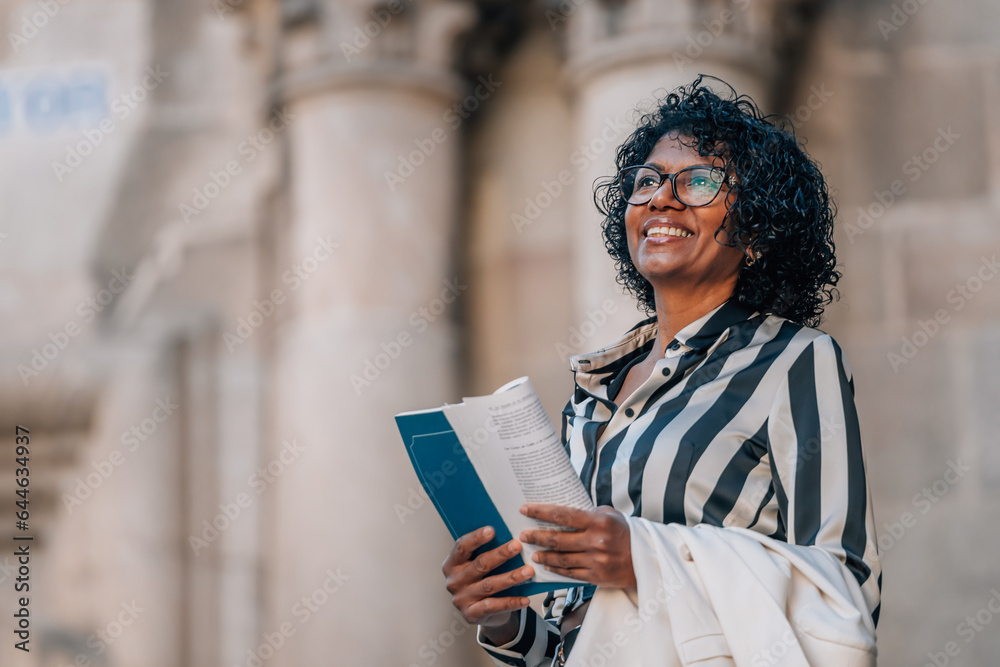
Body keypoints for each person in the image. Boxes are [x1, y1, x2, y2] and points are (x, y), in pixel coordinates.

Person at [440, 74, 881, 667]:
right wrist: (503, 616)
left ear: (755, 230)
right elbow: (573, 641)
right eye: (646, 181)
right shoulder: (592, 396)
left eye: (697, 181)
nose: (660, 198)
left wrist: (643, 556)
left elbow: (846, 592)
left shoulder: (793, 361)